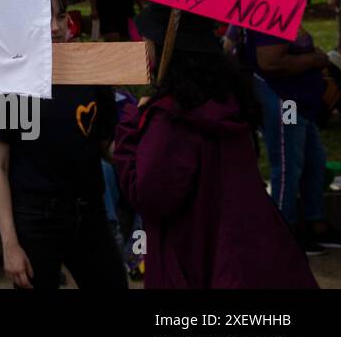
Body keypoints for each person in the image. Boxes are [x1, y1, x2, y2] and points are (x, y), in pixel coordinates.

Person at [114, 19, 317, 288]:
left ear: (165, 49)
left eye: (146, 43)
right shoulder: (230, 99)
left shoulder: (169, 118)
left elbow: (149, 196)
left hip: (192, 261)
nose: (142, 49)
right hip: (242, 257)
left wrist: (131, 124)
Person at [0, 0, 126, 290]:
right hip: (35, 220)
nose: (55, 27)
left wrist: (144, 160)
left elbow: (106, 144)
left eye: (61, 17)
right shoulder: (7, 77)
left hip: (90, 212)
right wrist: (10, 245)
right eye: (43, 18)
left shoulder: (90, 66)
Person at [230, 20, 341, 253]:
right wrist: (314, 59)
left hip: (298, 100)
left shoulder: (286, 7)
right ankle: (283, 231)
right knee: (288, 161)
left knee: (314, 159)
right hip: (286, 101)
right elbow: (269, 61)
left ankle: (315, 222)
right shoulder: (270, 12)